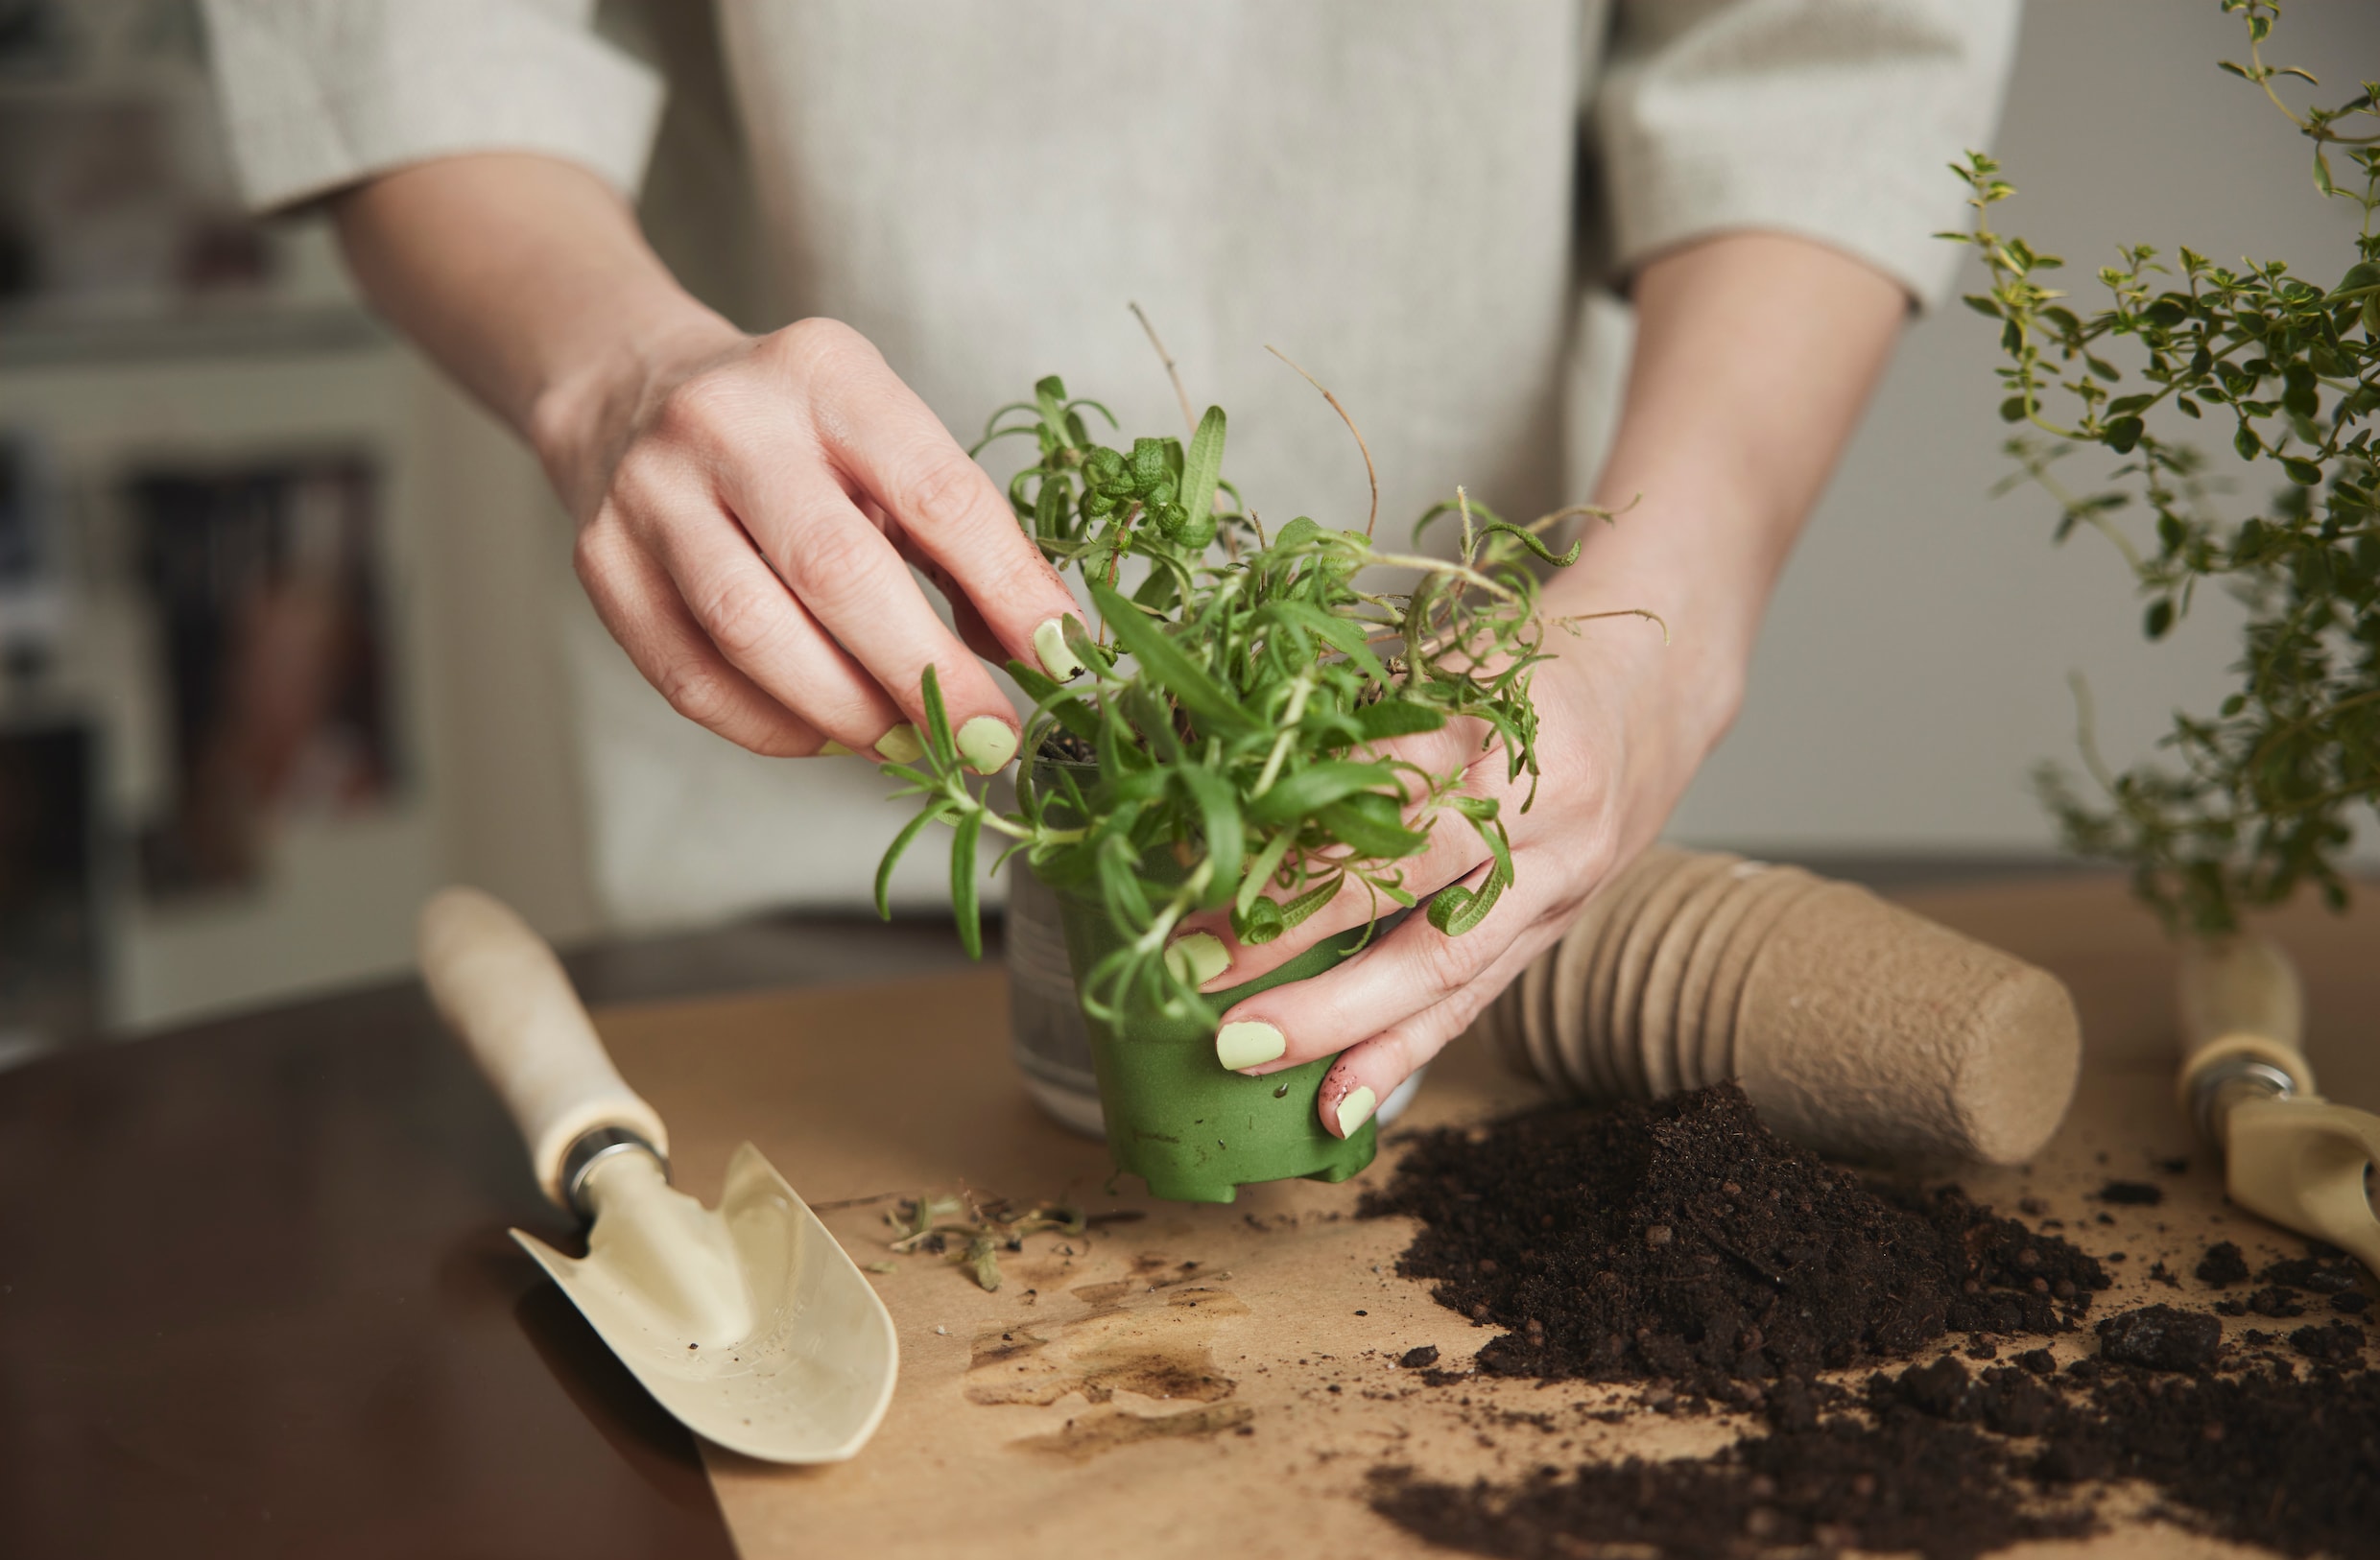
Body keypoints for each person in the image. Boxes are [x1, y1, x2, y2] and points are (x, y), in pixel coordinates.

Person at [200, 0, 2019, 1139]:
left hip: (1446, 857)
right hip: (780, 768)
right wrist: (614, 369)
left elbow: (1816, 56)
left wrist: (1668, 610)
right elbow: (419, 33)